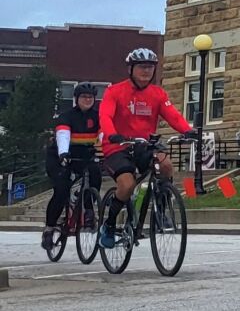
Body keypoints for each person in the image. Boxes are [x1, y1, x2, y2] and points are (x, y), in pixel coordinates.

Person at [97, 48, 197, 247]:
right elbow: (105, 116)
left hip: (144, 145)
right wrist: (112, 134)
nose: (146, 71)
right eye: (142, 67)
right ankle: (108, 226)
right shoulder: (114, 91)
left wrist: (187, 130)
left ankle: (161, 210)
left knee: (166, 165)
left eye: (150, 67)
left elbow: (172, 115)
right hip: (118, 145)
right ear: (131, 69)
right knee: (126, 185)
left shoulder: (157, 93)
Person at [42, 81, 102, 253]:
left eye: (90, 97)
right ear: (76, 99)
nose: (87, 99)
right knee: (61, 190)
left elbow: (103, 133)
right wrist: (63, 153)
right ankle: (49, 228)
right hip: (60, 156)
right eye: (84, 96)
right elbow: (63, 134)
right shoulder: (67, 116)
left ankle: (89, 211)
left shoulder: (97, 116)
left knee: (95, 173)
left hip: (82, 157)